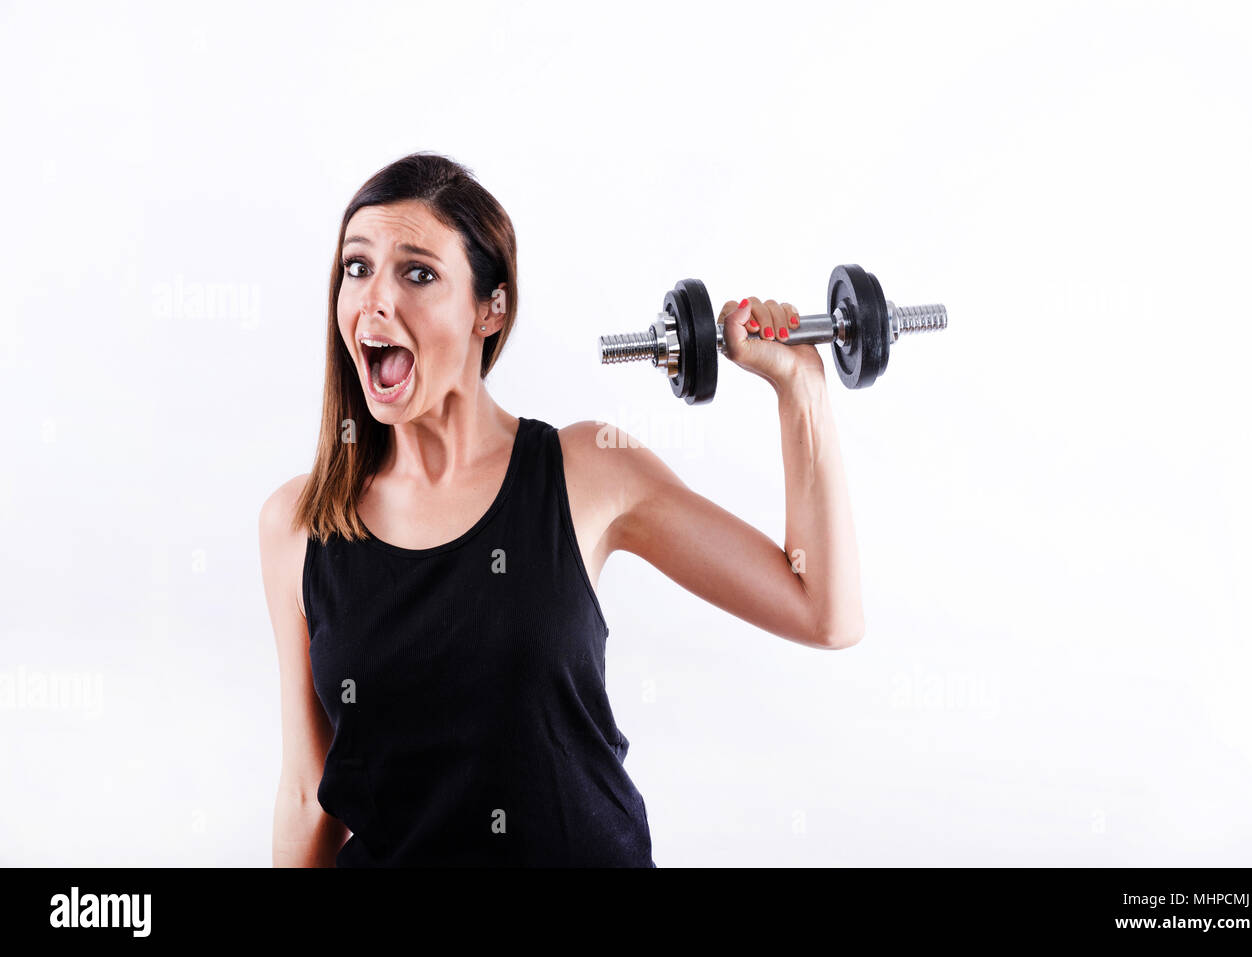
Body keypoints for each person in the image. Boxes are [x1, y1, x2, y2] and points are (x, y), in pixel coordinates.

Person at [257, 151, 865, 867]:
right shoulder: (300, 524)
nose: (375, 301)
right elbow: (307, 792)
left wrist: (801, 389)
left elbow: (824, 610)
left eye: (418, 272)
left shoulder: (588, 470)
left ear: (493, 307)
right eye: (357, 268)